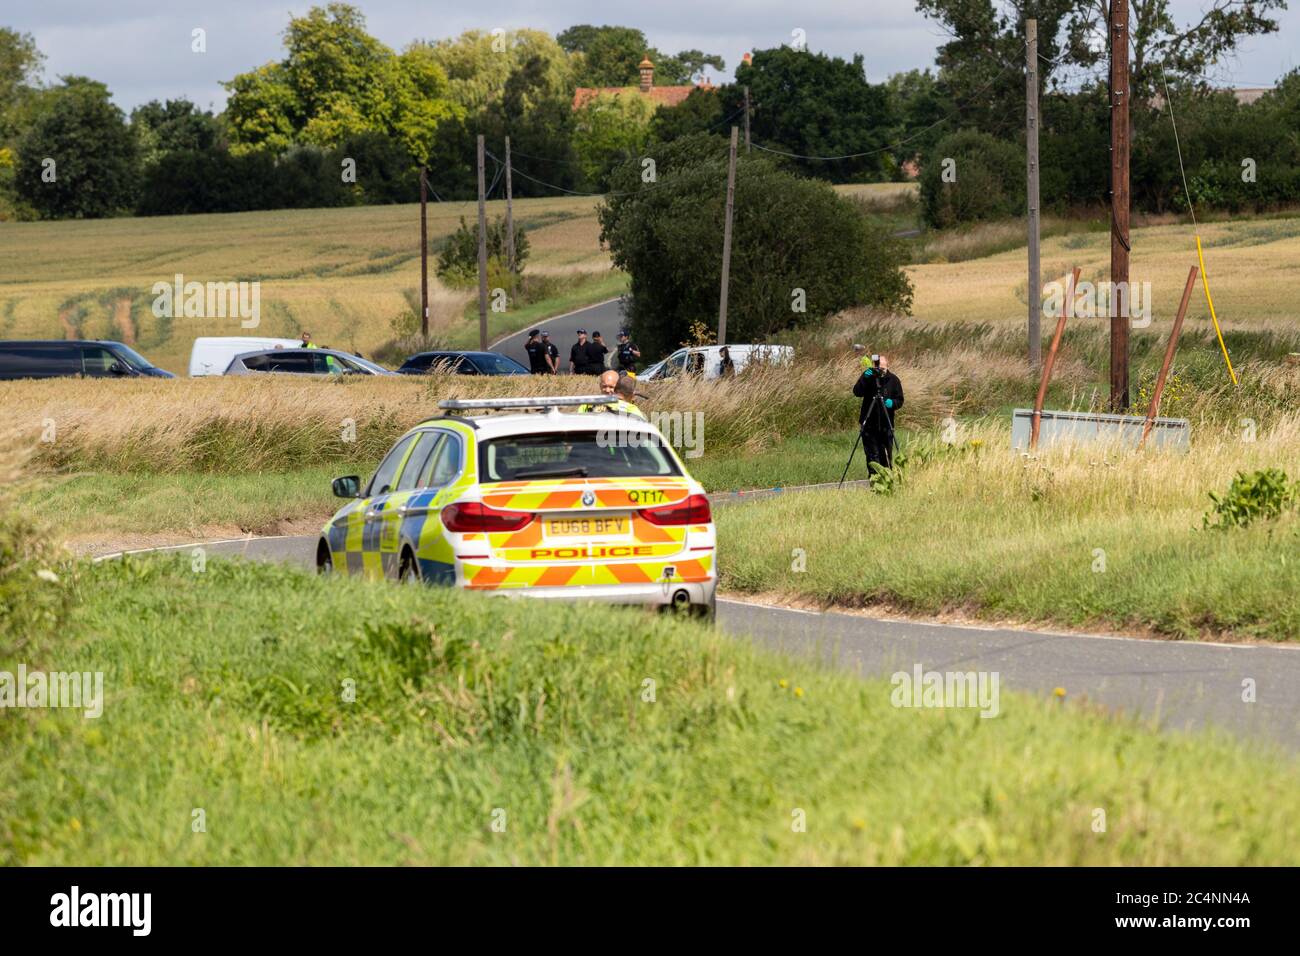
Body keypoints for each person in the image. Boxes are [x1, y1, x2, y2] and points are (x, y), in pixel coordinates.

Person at [852, 353, 903, 471]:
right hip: (869, 425)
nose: (880, 371)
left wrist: (892, 403)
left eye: (882, 369)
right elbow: (857, 392)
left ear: (887, 366)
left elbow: (900, 400)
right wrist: (864, 377)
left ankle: (887, 480)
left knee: (886, 457)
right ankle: (874, 482)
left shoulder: (893, 380)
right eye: (878, 368)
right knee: (872, 458)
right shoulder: (869, 378)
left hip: (886, 425)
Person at [579, 370, 647, 419]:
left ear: (618, 387)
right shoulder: (631, 409)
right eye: (604, 386)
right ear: (600, 385)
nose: (607, 390)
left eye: (611, 387)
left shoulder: (588, 404)